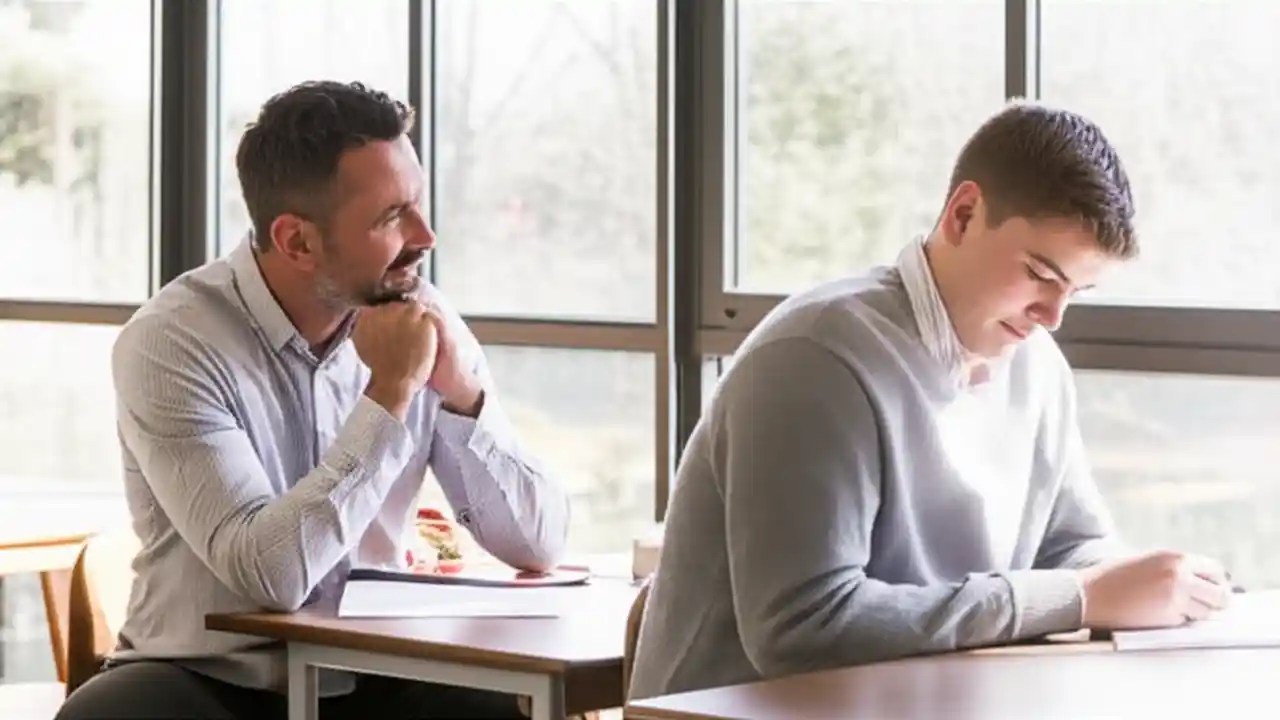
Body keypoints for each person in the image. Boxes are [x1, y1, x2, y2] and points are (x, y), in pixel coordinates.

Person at [629, 101, 1232, 699]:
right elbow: (801, 628)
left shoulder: (1038, 367)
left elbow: (1071, 548)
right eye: (1040, 275)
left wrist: (1158, 584)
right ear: (963, 215)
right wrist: (1079, 598)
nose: (1053, 316)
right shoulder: (816, 356)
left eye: (1077, 291)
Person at [57, 80, 569, 719]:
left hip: (378, 668)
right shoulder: (170, 343)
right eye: (391, 217)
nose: (426, 235)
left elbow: (540, 543)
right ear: (297, 241)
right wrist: (389, 395)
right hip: (213, 676)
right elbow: (270, 577)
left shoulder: (416, 314)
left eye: (418, 204)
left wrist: (462, 395)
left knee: (499, 709)